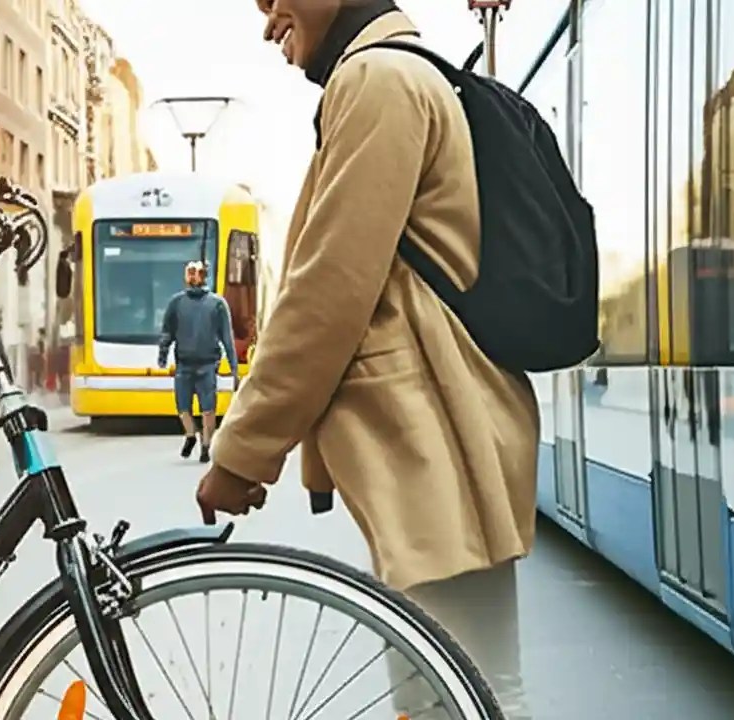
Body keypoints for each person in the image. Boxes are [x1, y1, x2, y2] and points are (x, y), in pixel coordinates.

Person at [197, 2, 539, 717]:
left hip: (434, 441)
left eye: (273, 1)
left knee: (462, 692)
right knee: (448, 690)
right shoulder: (390, 76)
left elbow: (326, 296)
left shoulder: (377, 81)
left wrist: (243, 453)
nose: (268, 24)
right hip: (430, 441)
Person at [157, 261, 238, 464]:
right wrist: (163, 352)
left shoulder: (217, 304)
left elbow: (227, 338)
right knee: (182, 406)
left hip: (208, 364)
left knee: (208, 407)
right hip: (184, 363)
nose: (194, 277)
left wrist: (234, 368)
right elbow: (168, 330)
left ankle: (206, 444)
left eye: (198, 273)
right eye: (190, 272)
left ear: (205, 276)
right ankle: (191, 435)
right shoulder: (176, 303)